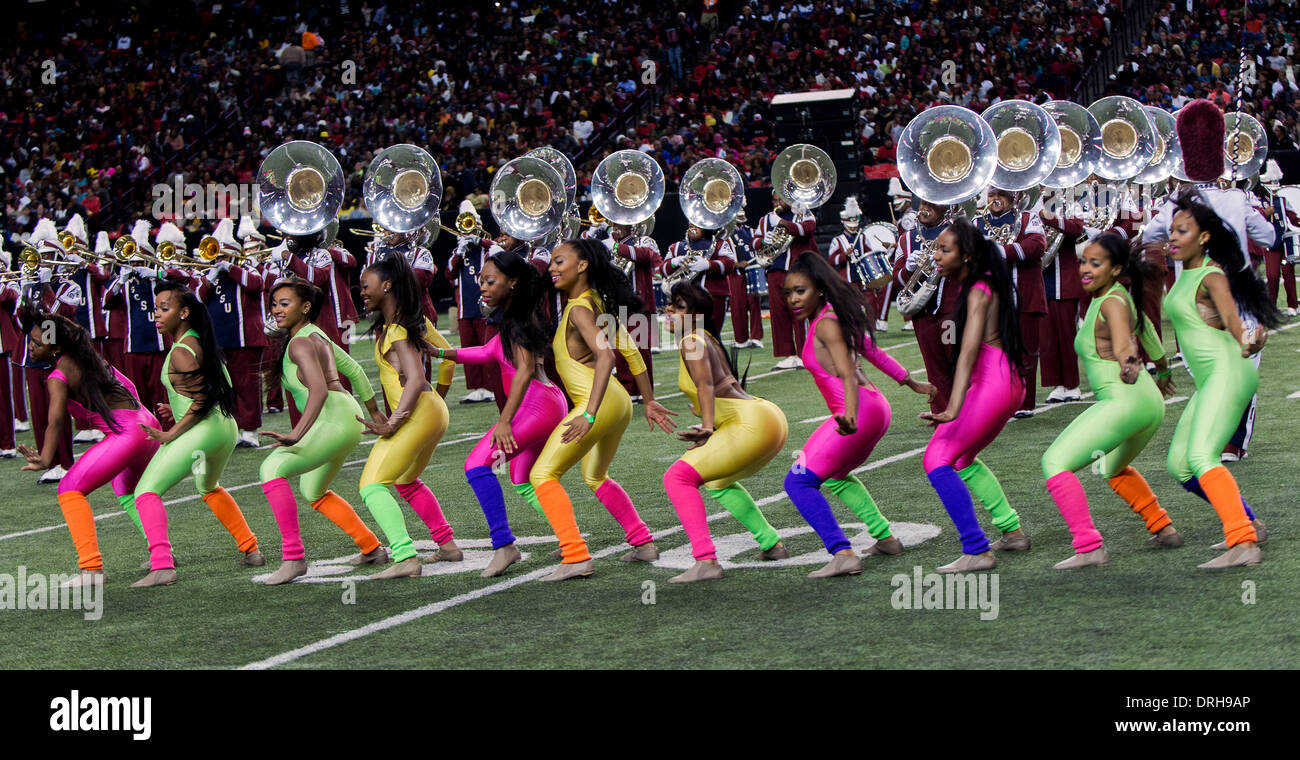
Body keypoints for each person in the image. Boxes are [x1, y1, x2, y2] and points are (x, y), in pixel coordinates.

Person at [530, 239, 677, 581]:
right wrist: (649, 399)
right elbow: (632, 352)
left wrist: (589, 413)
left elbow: (607, 357)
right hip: (619, 401)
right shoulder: (595, 302)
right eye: (551, 261)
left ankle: (576, 555)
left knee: (542, 475)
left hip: (598, 404)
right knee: (594, 475)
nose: (551, 267)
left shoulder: (580, 309)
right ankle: (643, 543)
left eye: (559, 261)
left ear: (582, 266)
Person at [781, 254, 935, 578]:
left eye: (801, 291)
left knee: (797, 482)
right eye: (789, 292)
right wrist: (910, 381)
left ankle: (843, 553)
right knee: (835, 475)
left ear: (820, 290)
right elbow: (871, 350)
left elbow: (849, 373)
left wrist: (849, 416)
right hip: (875, 407)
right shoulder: (829, 316)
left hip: (858, 413)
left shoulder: (825, 323)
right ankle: (885, 538)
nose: (793, 299)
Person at [1040, 234, 1183, 569]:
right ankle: (1162, 527)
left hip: (1126, 401)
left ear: (1116, 268)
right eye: (1084, 262)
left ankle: (1088, 547)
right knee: (1111, 466)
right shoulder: (1118, 295)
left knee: (1055, 464)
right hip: (1147, 402)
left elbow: (1123, 341)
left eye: (1096, 263)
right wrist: (1161, 372)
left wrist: (1127, 359)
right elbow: (1145, 328)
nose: (1085, 270)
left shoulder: (1111, 303)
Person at [1163, 193, 1279, 568]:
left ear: (1205, 237)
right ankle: (1247, 522)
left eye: (1183, 231)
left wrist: (1249, 340)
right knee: (1180, 464)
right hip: (1212, 378)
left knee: (1201, 456)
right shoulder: (1186, 273)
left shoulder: (1212, 275)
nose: (1174, 237)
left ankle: (1244, 543)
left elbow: (1233, 322)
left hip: (1230, 371)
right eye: (1172, 231)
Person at [439, 250, 569, 577]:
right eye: (481, 280)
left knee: (477, 465)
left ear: (512, 282)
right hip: (547, 402)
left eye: (490, 281)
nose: (481, 287)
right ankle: (570, 538)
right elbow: (486, 352)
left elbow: (524, 370)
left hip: (536, 405)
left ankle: (504, 545)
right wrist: (439, 351)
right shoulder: (513, 315)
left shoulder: (518, 319)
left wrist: (504, 421)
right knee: (523, 477)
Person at [132, 282, 265, 588]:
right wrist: (174, 407)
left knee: (145, 492)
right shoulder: (198, 341)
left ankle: (163, 566)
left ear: (185, 313)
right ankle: (251, 548)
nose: (157, 314)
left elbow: (203, 399)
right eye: (156, 308)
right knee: (208, 486)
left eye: (165, 309)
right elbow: (208, 391)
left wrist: (171, 434)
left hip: (203, 432)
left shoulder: (181, 351)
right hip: (224, 430)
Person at [257, 278, 385, 585]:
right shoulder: (315, 334)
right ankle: (371, 548)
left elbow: (317, 391)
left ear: (305, 307)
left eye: (284, 303)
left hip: (333, 417)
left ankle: (293, 558)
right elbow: (353, 370)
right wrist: (374, 413)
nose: (276, 309)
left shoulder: (301, 341)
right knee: (312, 490)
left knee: (271, 468)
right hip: (346, 416)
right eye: (274, 303)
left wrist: (297, 434)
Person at [15, 313, 160, 585]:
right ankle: (162, 556)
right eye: (30, 341)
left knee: (68, 489)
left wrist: (47, 458)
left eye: (36, 343)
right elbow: (129, 387)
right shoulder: (92, 359)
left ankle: (91, 570)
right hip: (146, 425)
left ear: (55, 348)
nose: (30, 347)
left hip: (127, 432)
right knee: (127, 491)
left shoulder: (58, 374)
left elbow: (56, 420)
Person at [660, 281, 789, 583]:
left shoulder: (692, 339)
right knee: (717, 482)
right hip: (766, 417)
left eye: (678, 306)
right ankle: (771, 543)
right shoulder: (704, 337)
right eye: (671, 304)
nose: (668, 310)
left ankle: (705, 561)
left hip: (751, 422)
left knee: (676, 478)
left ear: (696, 315)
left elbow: (705, 385)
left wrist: (707, 427)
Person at [919, 218, 1026, 573]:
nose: (935, 255)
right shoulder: (981, 284)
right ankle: (1012, 531)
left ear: (967, 255)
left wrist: (952, 407)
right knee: (962, 459)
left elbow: (966, 353)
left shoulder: (979, 289)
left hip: (993, 381)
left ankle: (976, 549)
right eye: (936, 248)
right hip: (1005, 379)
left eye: (944, 249)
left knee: (936, 458)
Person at [355, 253, 462, 580]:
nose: (362, 291)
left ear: (387, 285)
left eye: (366, 285)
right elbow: (447, 359)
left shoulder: (398, 328)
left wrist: (394, 421)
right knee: (404, 480)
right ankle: (447, 545)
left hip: (416, 412)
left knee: (371, 485)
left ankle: (404, 556)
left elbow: (415, 377)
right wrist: (437, 401)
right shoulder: (410, 320)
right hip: (431, 410)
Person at [197, 218, 268, 448]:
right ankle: (232, 429)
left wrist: (231, 267)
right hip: (219, 340)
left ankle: (250, 431)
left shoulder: (246, 270)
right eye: (216, 256)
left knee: (246, 386)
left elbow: (256, 283)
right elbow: (196, 298)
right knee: (224, 389)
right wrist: (211, 275)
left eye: (222, 255)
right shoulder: (209, 275)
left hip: (244, 337)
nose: (217, 260)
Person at [976, 187, 1047, 417]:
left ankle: (1024, 402)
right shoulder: (977, 222)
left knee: (1025, 350)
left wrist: (1003, 251)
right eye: (991, 195)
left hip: (1024, 295)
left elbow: (1037, 244)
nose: (995, 200)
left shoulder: (1027, 217)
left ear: (1013, 197)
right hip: (991, 299)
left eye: (1001, 195)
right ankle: (997, 400)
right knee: (993, 353)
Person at [754, 190, 819, 368]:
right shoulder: (767, 219)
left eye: (780, 199)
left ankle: (805, 353)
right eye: (774, 200)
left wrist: (783, 224)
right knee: (779, 314)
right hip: (775, 269)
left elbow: (809, 228)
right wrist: (763, 241)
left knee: (800, 311)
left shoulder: (802, 212)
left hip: (797, 269)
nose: (777, 203)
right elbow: (755, 241)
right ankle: (789, 354)